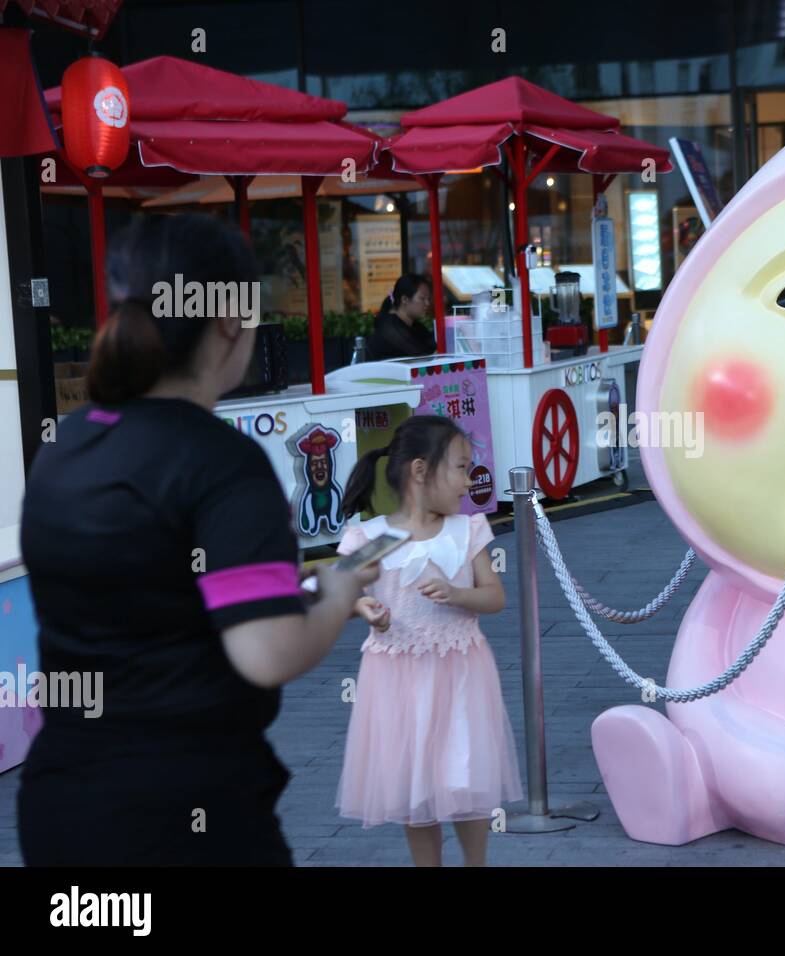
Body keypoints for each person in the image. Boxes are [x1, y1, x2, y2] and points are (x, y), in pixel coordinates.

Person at [17, 214, 378, 865]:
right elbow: (267, 653)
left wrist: (264, 590)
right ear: (230, 320)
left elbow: (141, 590)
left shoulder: (64, 446)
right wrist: (335, 593)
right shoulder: (223, 463)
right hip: (186, 817)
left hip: (61, 808)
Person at [335, 415, 521, 866]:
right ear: (421, 471)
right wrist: (365, 609)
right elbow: (337, 593)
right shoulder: (375, 538)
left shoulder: (467, 530)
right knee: (414, 783)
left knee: (466, 776)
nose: (468, 481)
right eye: (460, 467)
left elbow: (494, 596)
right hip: (398, 679)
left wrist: (459, 595)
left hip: (459, 673)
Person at [367, 273, 435, 360]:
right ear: (404, 299)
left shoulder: (415, 325)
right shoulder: (389, 327)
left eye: (428, 299)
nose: (427, 303)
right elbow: (423, 356)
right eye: (422, 299)